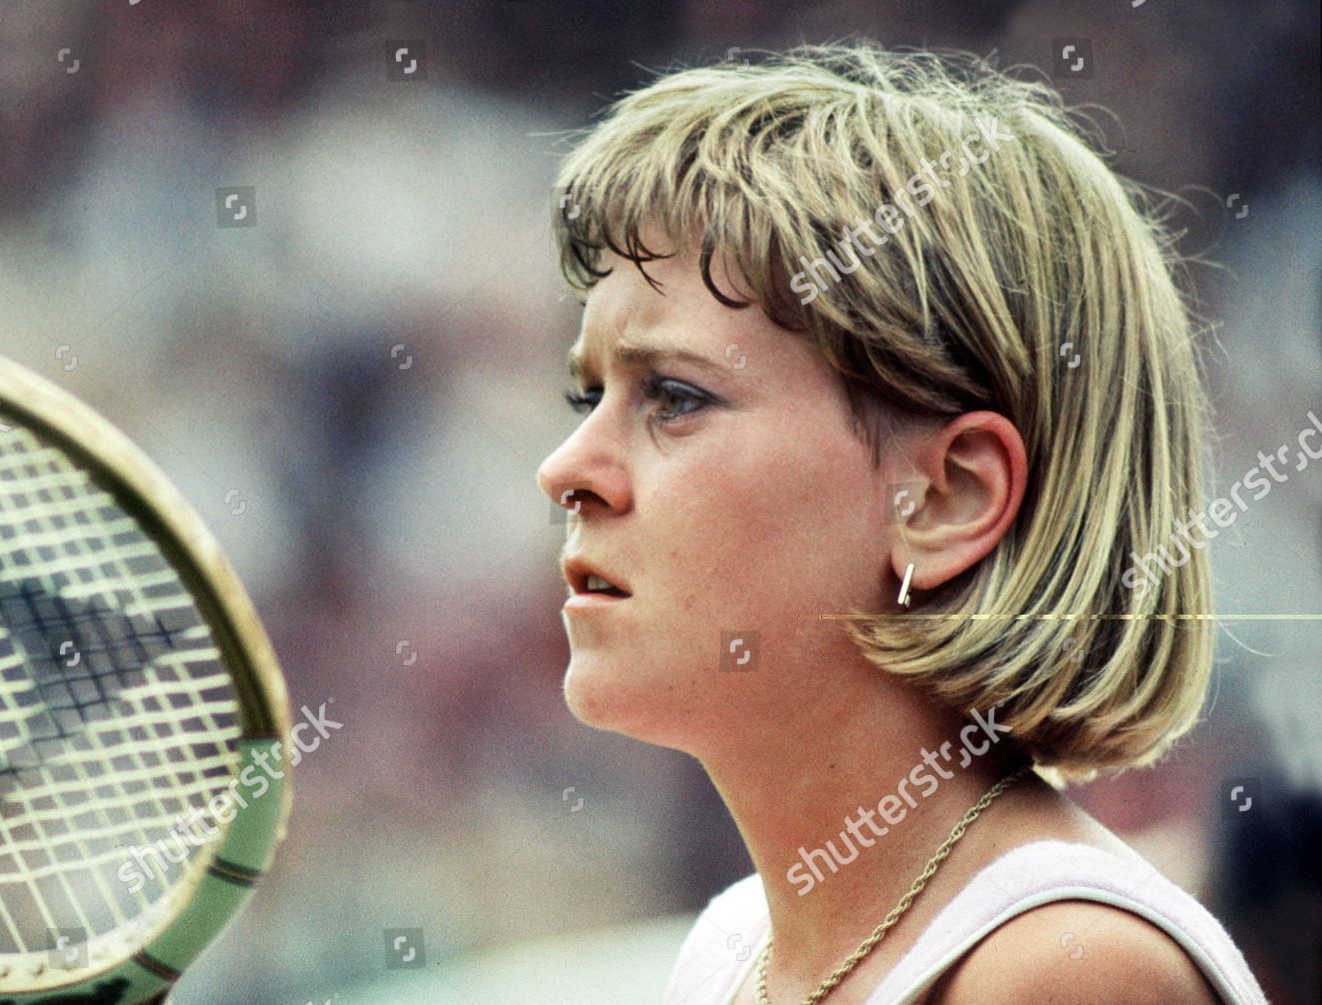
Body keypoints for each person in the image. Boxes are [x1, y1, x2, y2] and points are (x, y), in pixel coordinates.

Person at [535, 43, 1267, 1004]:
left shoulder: (1066, 968)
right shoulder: (729, 946)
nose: (566, 470)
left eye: (673, 395)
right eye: (586, 393)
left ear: (948, 498)